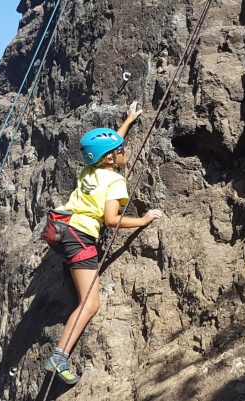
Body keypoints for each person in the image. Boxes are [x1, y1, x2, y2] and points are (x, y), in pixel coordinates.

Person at [45, 101, 162, 384]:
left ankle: (60, 353)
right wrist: (144, 220)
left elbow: (105, 148)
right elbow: (111, 220)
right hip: (81, 239)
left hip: (63, 231)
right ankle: (59, 356)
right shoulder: (115, 182)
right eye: (119, 151)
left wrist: (129, 120)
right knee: (90, 303)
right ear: (109, 159)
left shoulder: (88, 171)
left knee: (83, 295)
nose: (124, 151)